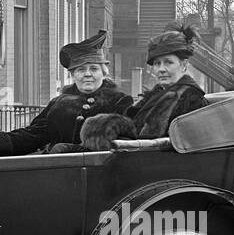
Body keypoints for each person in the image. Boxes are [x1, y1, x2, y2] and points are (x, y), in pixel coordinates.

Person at [0, 29, 132, 156]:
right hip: (57, 172)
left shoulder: (120, 102)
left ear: (103, 73)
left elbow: (126, 144)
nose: (87, 74)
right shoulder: (59, 103)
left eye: (94, 69)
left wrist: (69, 150)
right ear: (73, 75)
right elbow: (34, 134)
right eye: (81, 70)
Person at [81, 24, 209, 150]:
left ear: (184, 65)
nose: (161, 69)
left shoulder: (190, 98)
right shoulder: (157, 94)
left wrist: (110, 127)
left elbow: (155, 144)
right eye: (157, 64)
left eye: (168, 62)